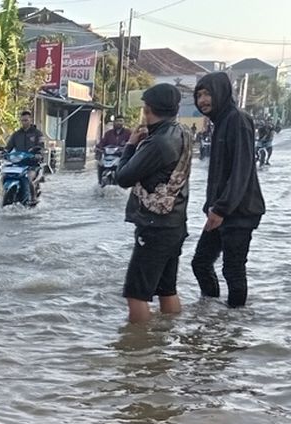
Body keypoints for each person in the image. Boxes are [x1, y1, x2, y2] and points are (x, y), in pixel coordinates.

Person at [114, 84, 193, 324]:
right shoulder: (182, 132)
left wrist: (130, 145)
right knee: (167, 289)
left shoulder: (157, 143)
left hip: (155, 226)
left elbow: (123, 177)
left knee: (136, 294)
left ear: (147, 109)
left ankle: (138, 354)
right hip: (175, 223)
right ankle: (165, 339)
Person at [190, 72, 265, 308]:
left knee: (233, 270)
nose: (202, 100)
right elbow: (219, 173)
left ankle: (234, 326)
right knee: (201, 263)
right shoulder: (220, 123)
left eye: (207, 93)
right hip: (222, 209)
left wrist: (220, 208)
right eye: (199, 95)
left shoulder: (237, 120)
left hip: (240, 211)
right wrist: (211, 206)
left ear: (222, 93)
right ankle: (212, 315)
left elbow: (241, 170)